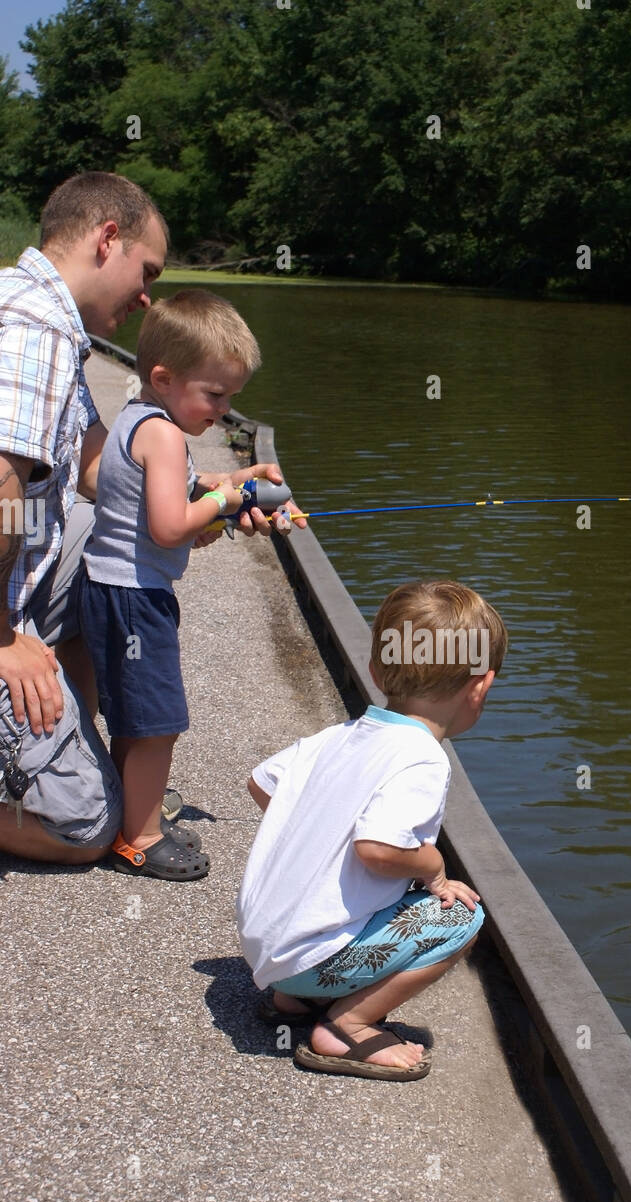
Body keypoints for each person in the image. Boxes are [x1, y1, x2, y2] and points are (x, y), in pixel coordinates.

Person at [0, 171, 302, 865]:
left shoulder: (54, 327)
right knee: (86, 825)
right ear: (108, 238)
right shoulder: (29, 328)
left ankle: (75, 728)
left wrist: (215, 491)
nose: (146, 296)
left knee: (102, 534)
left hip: (25, 558)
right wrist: (3, 639)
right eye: (147, 272)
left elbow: (101, 473)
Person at [237, 579, 508, 1081]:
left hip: (266, 947)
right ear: (480, 687)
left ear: (376, 668)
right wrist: (434, 866)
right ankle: (348, 1026)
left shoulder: (339, 736)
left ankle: (292, 1001)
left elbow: (261, 783)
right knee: (461, 917)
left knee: (370, 898)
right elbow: (378, 848)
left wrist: (319, 831)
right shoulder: (423, 758)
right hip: (309, 957)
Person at [78, 289, 278, 878]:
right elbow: (170, 527)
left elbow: (165, 513)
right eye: (214, 395)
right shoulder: (165, 436)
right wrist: (223, 498)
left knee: (136, 719)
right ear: (164, 378)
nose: (220, 409)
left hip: (114, 590)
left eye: (231, 398)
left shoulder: (139, 421)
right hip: (137, 600)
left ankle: (130, 820)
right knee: (158, 724)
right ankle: (138, 838)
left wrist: (229, 489)